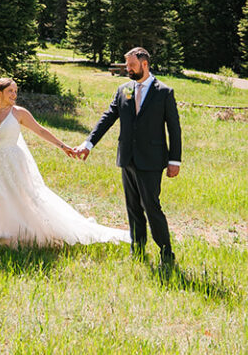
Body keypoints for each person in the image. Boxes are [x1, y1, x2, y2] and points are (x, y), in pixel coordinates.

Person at [0, 77, 129, 249]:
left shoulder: (18, 113)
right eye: (10, 91)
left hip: (11, 163)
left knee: (19, 198)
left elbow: (40, 131)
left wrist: (63, 146)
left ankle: (20, 233)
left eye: (16, 91)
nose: (14, 95)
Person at [76, 47, 182, 268]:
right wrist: (89, 143)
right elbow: (108, 118)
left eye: (131, 65)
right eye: (126, 65)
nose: (127, 69)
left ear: (144, 64)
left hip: (151, 159)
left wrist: (175, 160)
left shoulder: (164, 92)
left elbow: (174, 128)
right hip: (127, 158)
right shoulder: (123, 89)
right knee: (132, 207)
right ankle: (138, 249)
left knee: (151, 207)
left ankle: (166, 253)